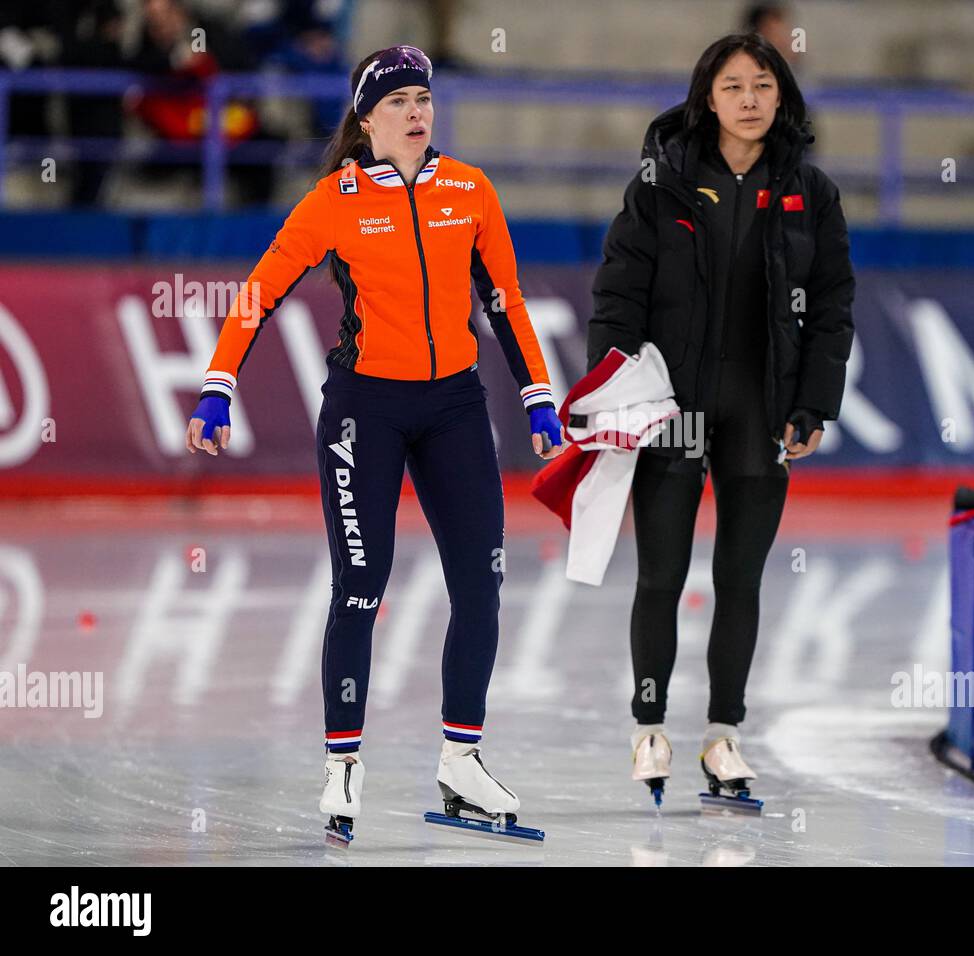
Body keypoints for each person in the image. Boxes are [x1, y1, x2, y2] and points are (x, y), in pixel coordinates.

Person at [185, 45, 564, 843]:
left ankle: (462, 759)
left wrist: (537, 394)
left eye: (424, 98)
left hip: (456, 407)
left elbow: (505, 297)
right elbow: (259, 290)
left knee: (481, 585)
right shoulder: (336, 200)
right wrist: (218, 385)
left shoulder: (471, 190)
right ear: (367, 121)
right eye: (399, 102)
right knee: (361, 585)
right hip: (367, 411)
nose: (417, 112)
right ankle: (343, 764)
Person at [588, 32, 854, 805]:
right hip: (674, 405)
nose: (748, 100)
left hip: (759, 410)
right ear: (707, 96)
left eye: (762, 86)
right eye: (733, 86)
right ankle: (648, 726)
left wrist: (812, 404)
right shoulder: (661, 182)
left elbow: (832, 307)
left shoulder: (810, 190)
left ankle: (723, 736)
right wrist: (617, 388)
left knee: (739, 578)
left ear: (781, 97)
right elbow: (618, 293)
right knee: (662, 575)